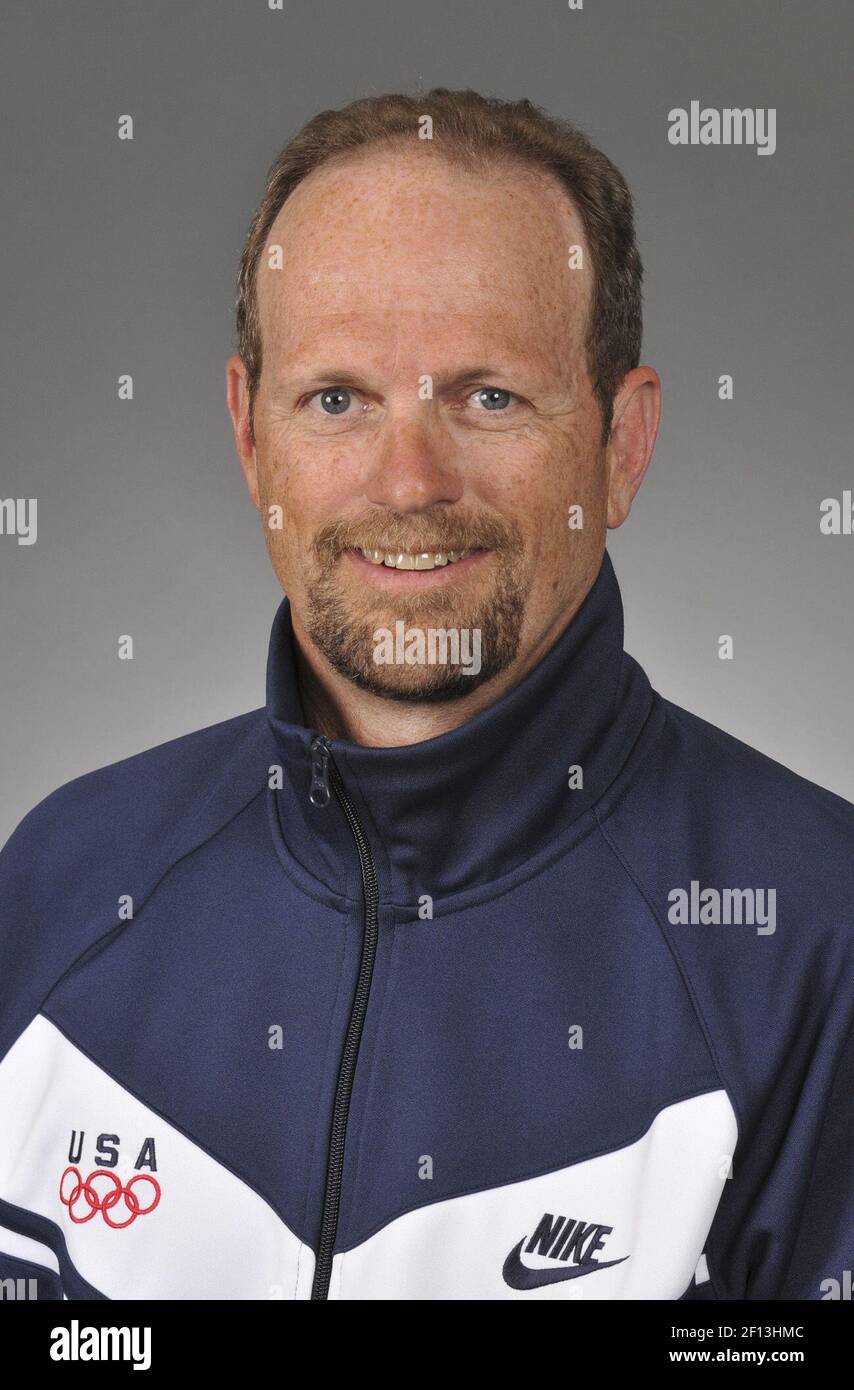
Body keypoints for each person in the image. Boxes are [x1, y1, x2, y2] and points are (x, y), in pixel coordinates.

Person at [0, 89, 851, 1301]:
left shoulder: (816, 945)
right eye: (337, 397)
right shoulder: (60, 886)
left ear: (621, 445)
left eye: (487, 396)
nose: (408, 482)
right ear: (251, 437)